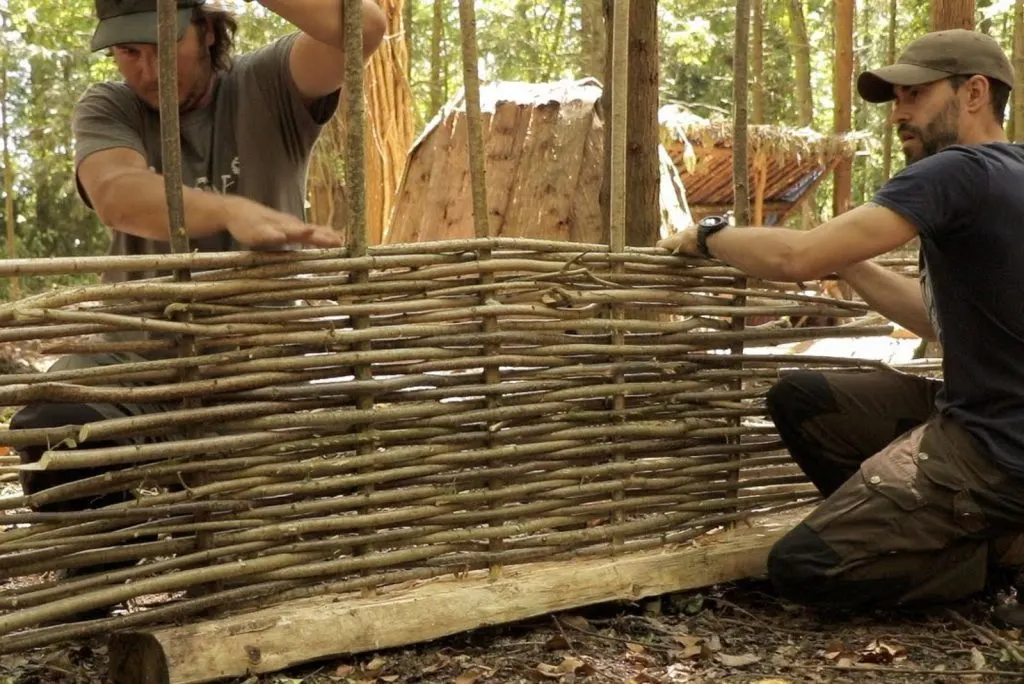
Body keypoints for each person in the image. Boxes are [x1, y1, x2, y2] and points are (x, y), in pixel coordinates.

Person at [658, 29, 1024, 620]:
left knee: (803, 568)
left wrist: (708, 236)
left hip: (993, 449)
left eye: (914, 96)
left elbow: (793, 258)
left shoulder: (954, 171)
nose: (898, 115)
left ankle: (985, 559)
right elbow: (936, 322)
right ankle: (977, 535)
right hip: (992, 420)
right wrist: (850, 262)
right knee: (803, 399)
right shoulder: (1011, 175)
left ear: (975, 92)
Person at [7, 0, 385, 542]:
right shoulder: (109, 106)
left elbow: (363, 28)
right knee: (53, 423)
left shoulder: (269, 82)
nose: (145, 71)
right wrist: (230, 209)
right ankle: (102, 566)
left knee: (247, 544)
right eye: (128, 52)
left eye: (163, 48)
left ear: (206, 31)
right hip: (138, 352)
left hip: (259, 358)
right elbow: (117, 195)